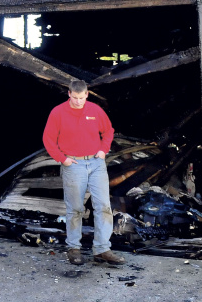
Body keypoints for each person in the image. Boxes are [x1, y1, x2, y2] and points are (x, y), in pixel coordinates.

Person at [42, 79, 126, 266]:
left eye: (82, 98)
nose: (78, 102)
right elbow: (48, 139)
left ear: (87, 94)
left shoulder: (95, 110)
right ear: (69, 94)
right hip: (73, 164)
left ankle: (102, 249)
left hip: (96, 163)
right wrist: (62, 159)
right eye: (75, 97)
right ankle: (74, 248)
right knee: (75, 208)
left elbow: (109, 131)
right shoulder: (58, 112)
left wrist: (104, 149)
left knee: (103, 206)